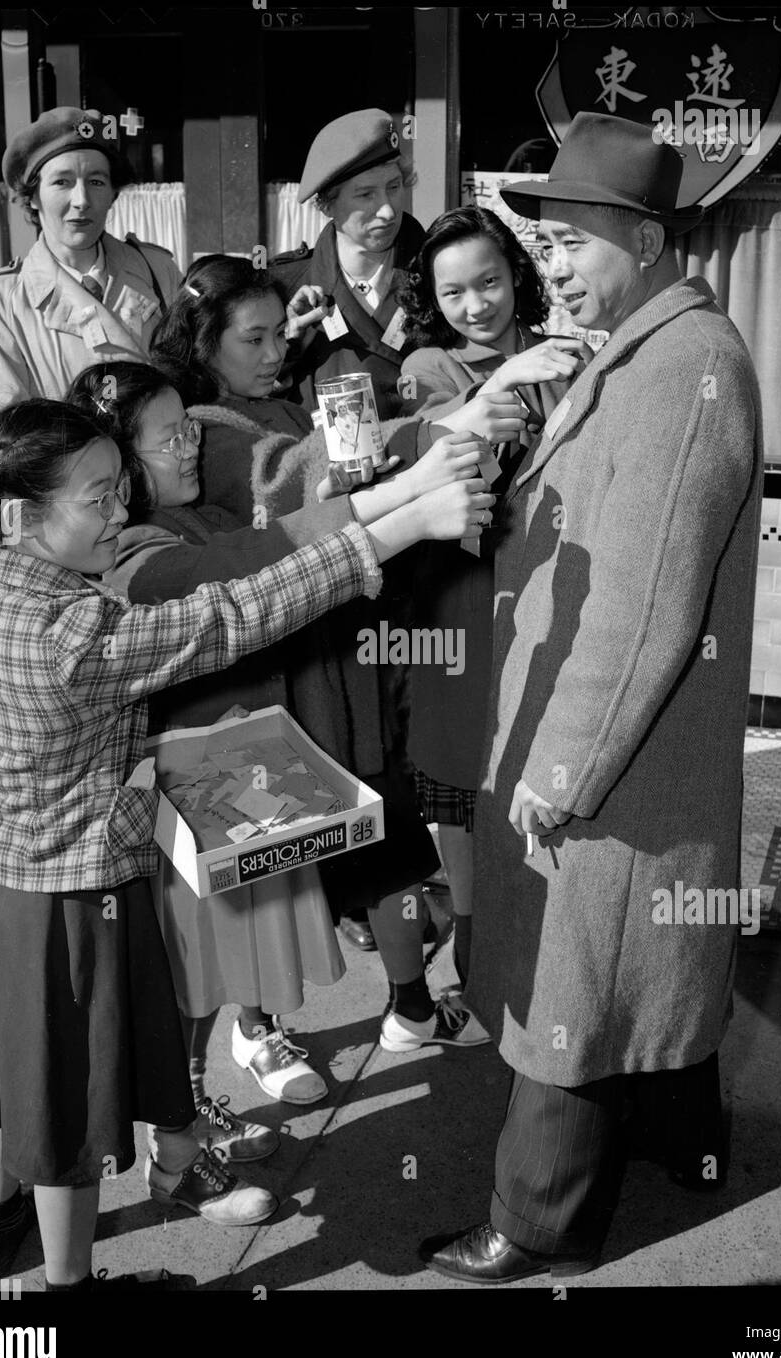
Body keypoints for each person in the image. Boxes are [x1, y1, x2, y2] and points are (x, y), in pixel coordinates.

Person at [0, 397, 430, 1289]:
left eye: (120, 489)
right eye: (96, 498)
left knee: (15, 1074)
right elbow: (229, 616)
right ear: (24, 513)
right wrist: (386, 535)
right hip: (72, 910)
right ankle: (69, 1290)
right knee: (70, 1119)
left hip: (1, 890)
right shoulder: (74, 632)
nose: (121, 513)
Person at [419, 112, 765, 1283]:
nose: (548, 266)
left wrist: (560, 770)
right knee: (645, 962)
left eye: (571, 241)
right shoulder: (639, 345)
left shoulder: (684, 367)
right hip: (637, 746)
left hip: (616, 750)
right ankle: (686, 1144)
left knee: (578, 977)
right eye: (546, 241)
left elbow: (640, 606)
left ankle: (533, 1219)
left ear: (648, 238)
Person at [67, 358, 496, 1112]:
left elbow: (269, 547)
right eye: (170, 440)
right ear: (119, 466)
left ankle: (209, 1102)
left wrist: (355, 507)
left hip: (260, 766)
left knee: (264, 933)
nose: (191, 447)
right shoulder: (130, 554)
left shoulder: (211, 513)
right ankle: (186, 1115)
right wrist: (401, 506)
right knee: (203, 965)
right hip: (205, 785)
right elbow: (251, 572)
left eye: (189, 430)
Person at [151, 260, 518, 1063]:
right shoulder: (209, 431)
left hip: (329, 665)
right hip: (263, 687)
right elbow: (294, 486)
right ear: (202, 343)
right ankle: (248, 1038)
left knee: (369, 836)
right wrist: (443, 427)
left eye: (281, 332)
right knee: (253, 882)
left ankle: (404, 1004)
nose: (275, 349)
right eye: (254, 337)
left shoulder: (276, 399)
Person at [398, 206, 586, 990]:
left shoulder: (569, 352)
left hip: (555, 585)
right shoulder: (432, 369)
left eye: (489, 282)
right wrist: (504, 389)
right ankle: (474, 940)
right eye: (453, 294)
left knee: (541, 759)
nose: (476, 306)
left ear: (517, 276)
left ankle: (543, 932)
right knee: (461, 780)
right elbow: (435, 444)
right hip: (464, 600)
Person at [0, 107, 181, 434]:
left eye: (96, 181)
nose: (81, 200)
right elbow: (9, 443)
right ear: (33, 197)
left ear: (113, 194)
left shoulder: (157, 270)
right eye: (62, 182)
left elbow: (193, 379)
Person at [271, 108, 424, 422]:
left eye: (394, 187)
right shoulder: (283, 291)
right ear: (327, 204)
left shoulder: (443, 276)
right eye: (366, 194)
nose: (387, 211)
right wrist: (284, 351)